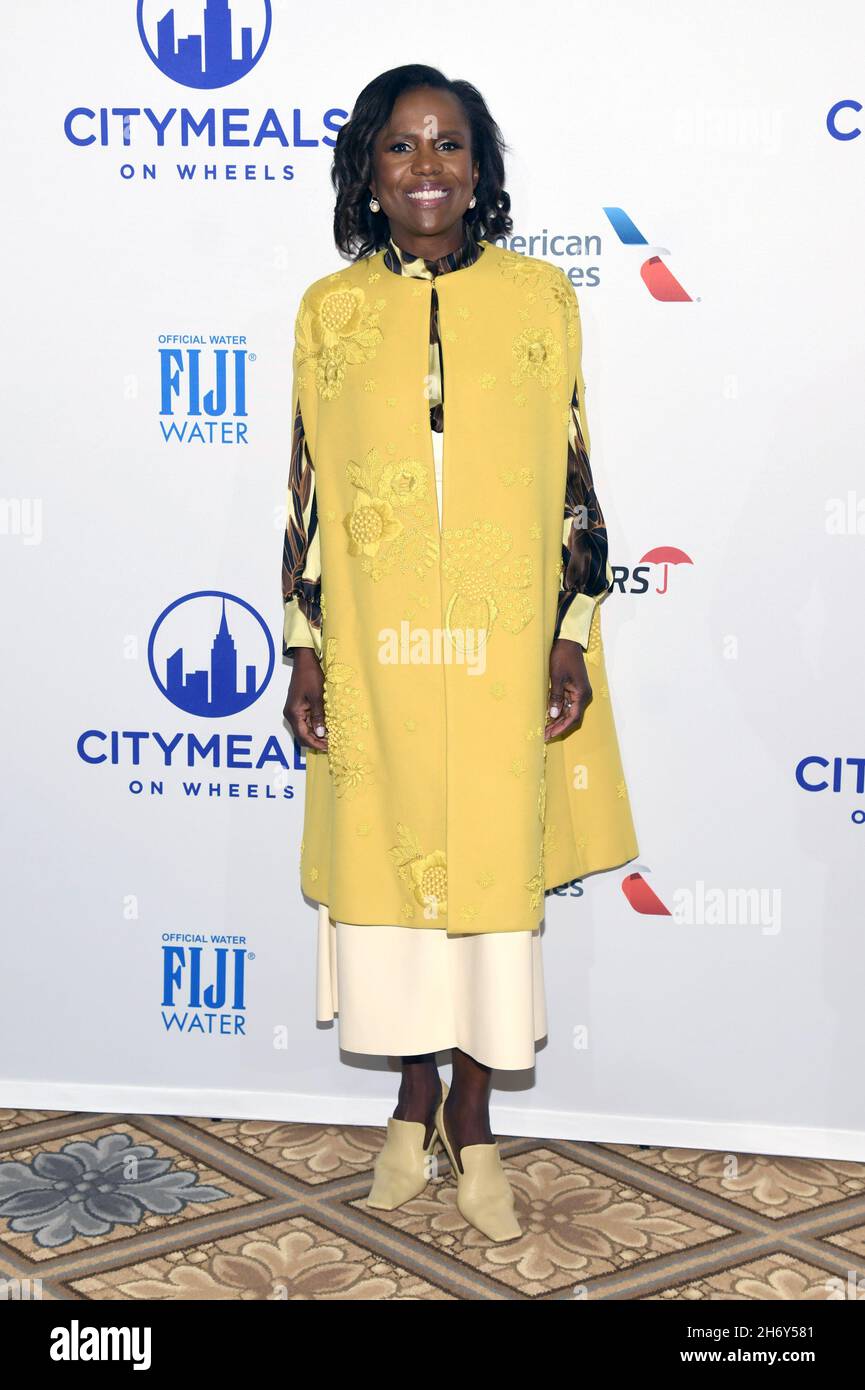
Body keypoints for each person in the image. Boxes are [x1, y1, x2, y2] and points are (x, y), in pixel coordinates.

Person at [281, 64, 638, 1243]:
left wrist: (568, 632)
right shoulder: (329, 312)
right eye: (400, 146)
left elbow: (576, 486)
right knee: (389, 883)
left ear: (478, 170)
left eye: (448, 145)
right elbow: (309, 495)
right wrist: (305, 646)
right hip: (377, 650)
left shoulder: (542, 301)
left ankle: (473, 1121)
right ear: (367, 171)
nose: (425, 167)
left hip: (497, 651)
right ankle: (409, 1099)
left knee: (491, 884)